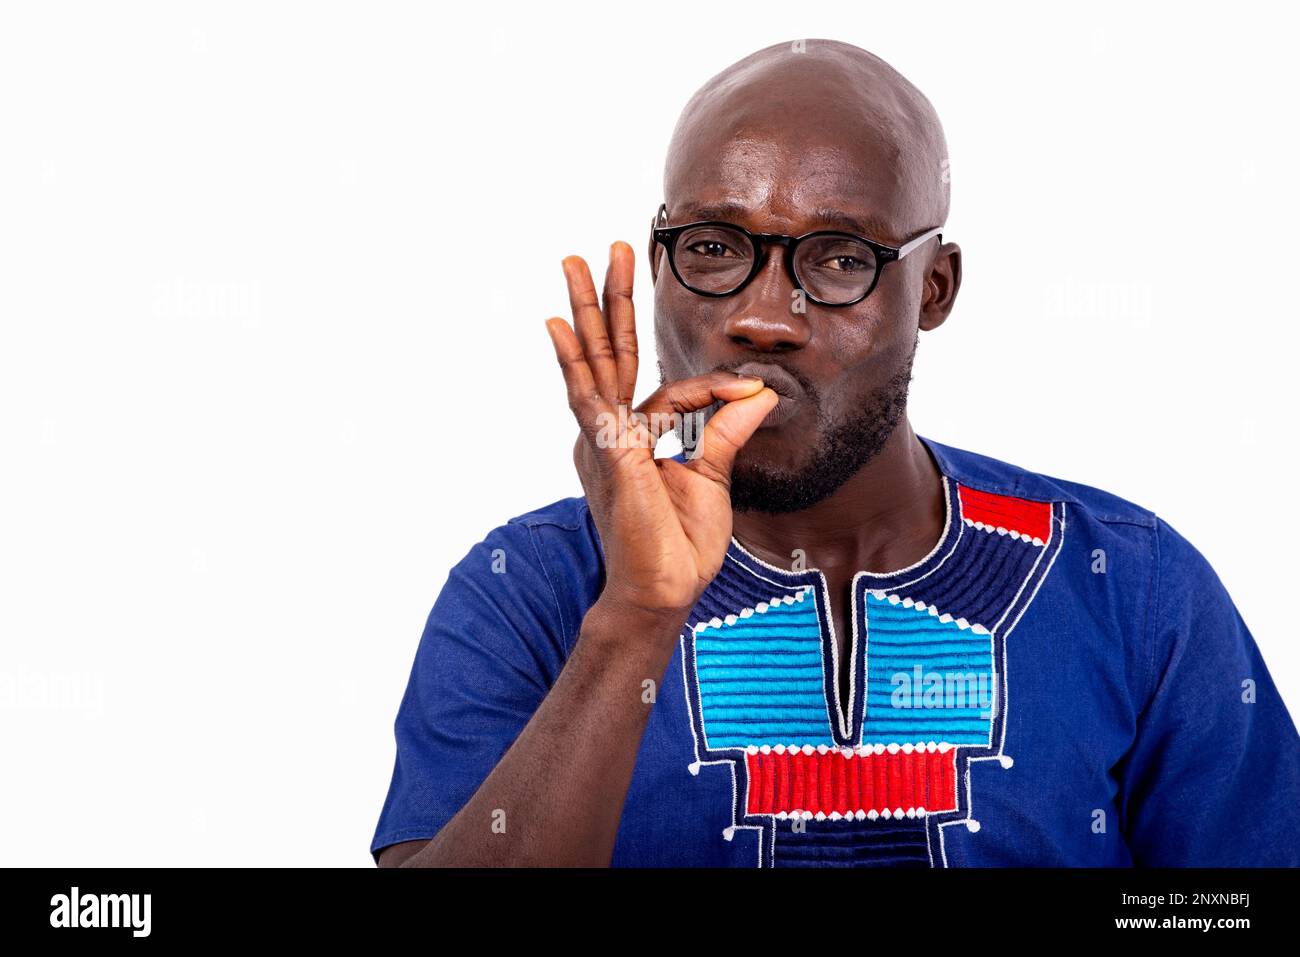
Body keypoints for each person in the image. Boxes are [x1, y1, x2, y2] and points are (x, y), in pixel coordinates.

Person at [371, 39, 1300, 867]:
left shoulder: (1131, 586)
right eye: (712, 244)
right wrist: (637, 616)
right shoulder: (525, 589)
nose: (764, 316)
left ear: (933, 289)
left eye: (841, 258)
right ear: (659, 270)